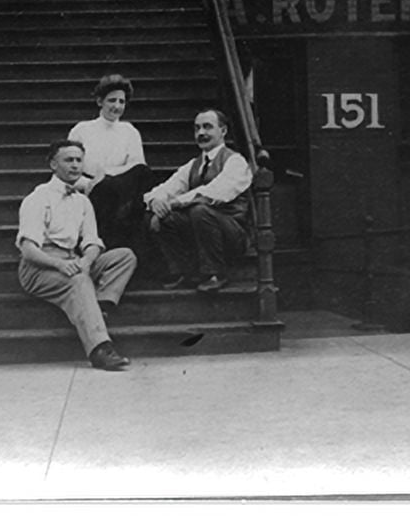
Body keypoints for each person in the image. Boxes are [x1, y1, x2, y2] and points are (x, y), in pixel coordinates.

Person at [17, 140, 137, 371]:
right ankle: (100, 349)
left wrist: (86, 260)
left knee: (125, 256)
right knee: (80, 280)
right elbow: (29, 250)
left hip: (73, 260)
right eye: (68, 160)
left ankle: (99, 305)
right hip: (41, 266)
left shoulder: (82, 201)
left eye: (79, 160)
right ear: (53, 164)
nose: (75, 165)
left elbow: (92, 242)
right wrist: (60, 264)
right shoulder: (38, 198)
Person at [144, 109, 253, 293]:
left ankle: (215, 274)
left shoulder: (235, 161)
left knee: (199, 210)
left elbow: (213, 193)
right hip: (203, 233)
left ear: (223, 131)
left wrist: (172, 204)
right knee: (162, 218)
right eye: (197, 128)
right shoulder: (194, 165)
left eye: (207, 127)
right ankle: (186, 272)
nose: (201, 133)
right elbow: (166, 188)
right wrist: (156, 201)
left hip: (233, 234)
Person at [68, 74, 156, 250]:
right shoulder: (82, 129)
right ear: (100, 101)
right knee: (105, 190)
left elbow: (138, 168)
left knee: (142, 175)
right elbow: (69, 169)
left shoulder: (129, 131)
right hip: (92, 189)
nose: (117, 106)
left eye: (121, 102)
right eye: (111, 100)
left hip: (123, 191)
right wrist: (92, 183)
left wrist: (107, 174)